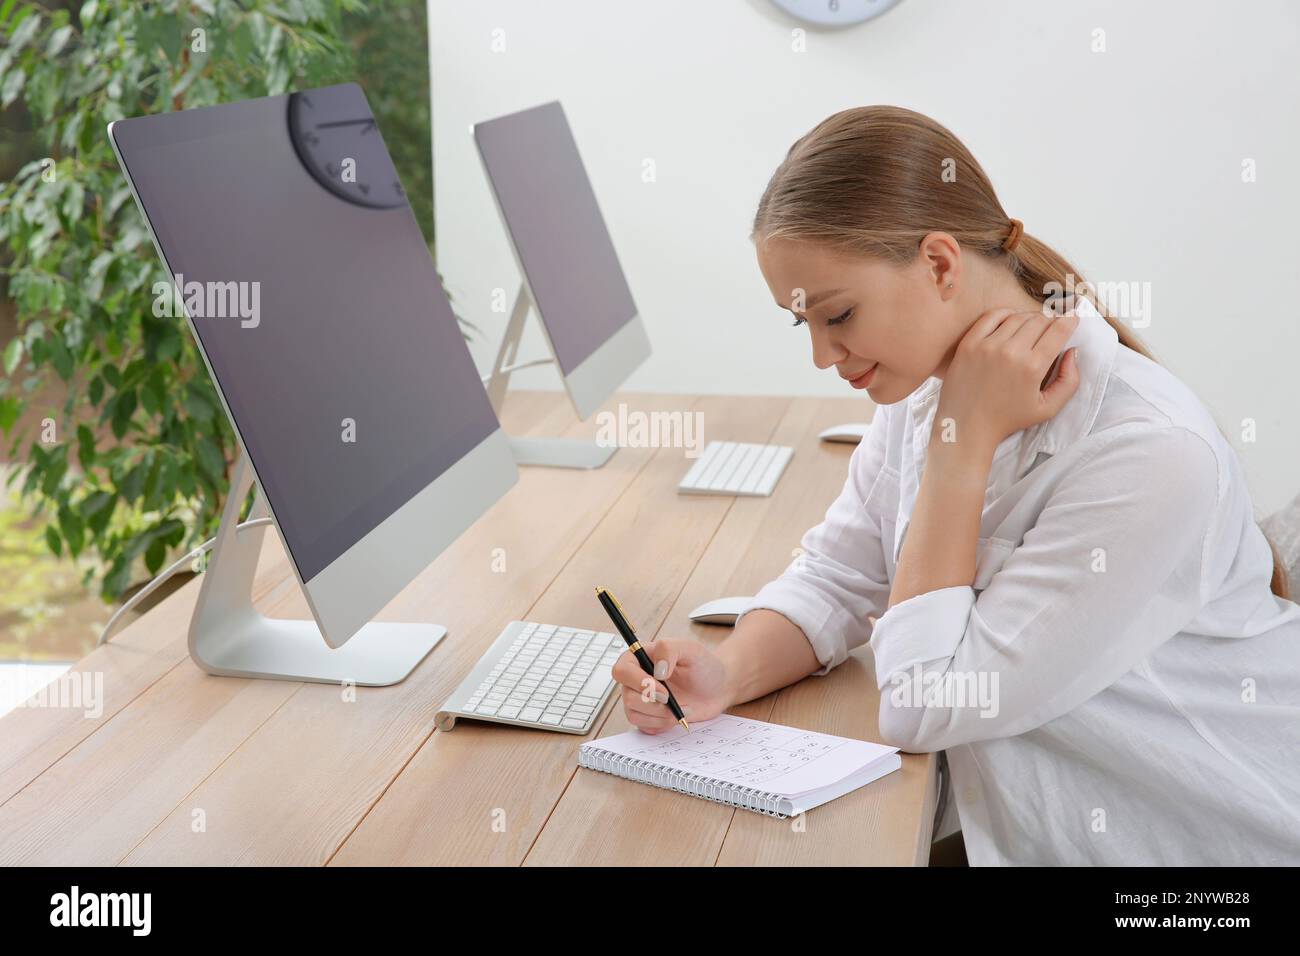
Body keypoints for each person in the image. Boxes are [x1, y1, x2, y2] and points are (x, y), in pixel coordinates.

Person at [611, 105, 1300, 866]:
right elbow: (842, 575)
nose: (820, 356)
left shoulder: (1149, 454)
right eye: (801, 322)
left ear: (941, 264)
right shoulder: (928, 390)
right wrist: (728, 671)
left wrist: (960, 449)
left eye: (837, 314)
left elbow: (925, 703)